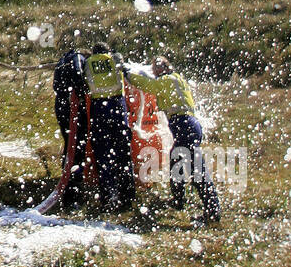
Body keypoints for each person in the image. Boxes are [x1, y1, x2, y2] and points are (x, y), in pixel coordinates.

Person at [125, 56, 221, 223]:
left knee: (197, 170)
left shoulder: (167, 80)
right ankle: (178, 200)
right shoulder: (177, 78)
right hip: (188, 125)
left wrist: (127, 75)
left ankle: (213, 211)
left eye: (156, 68)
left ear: (163, 68)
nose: (154, 71)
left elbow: (149, 86)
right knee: (176, 162)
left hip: (185, 126)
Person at [83, 42, 135, 213]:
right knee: (123, 153)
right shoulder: (114, 58)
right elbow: (127, 71)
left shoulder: (88, 62)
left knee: (103, 155)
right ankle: (127, 196)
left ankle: (108, 198)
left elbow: (83, 82)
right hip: (117, 106)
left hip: (99, 107)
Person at [52, 33, 87, 209]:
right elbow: (78, 73)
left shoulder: (61, 61)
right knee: (78, 147)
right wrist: (82, 92)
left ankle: (67, 178)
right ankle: (73, 191)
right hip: (71, 108)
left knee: (69, 144)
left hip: (61, 106)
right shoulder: (78, 58)